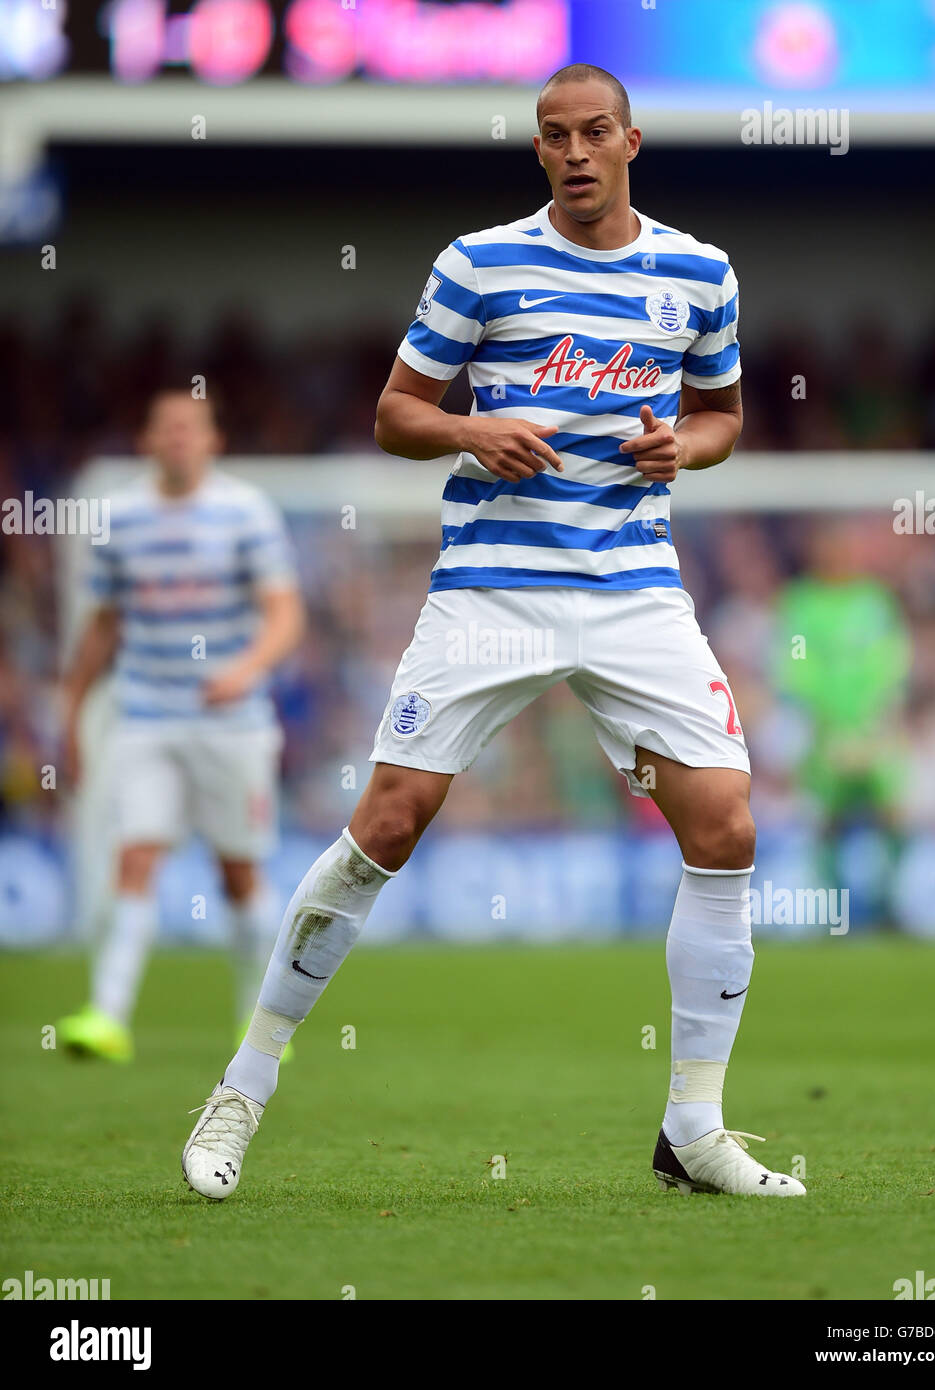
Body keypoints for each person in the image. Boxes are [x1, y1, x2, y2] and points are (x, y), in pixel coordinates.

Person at [183, 65, 805, 1199]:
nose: (574, 152)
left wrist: (687, 450)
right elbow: (394, 416)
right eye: (553, 137)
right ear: (537, 151)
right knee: (387, 821)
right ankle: (242, 1085)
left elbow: (721, 418)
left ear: (630, 139)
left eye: (593, 133)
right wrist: (474, 428)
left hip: (630, 590)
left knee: (723, 826)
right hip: (490, 592)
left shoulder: (697, 271)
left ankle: (693, 1128)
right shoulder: (479, 262)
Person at [57, 389, 304, 1062]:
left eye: (189, 428)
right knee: (134, 856)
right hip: (145, 715)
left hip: (232, 722)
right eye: (165, 428)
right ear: (145, 441)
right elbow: (103, 625)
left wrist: (246, 668)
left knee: (239, 873)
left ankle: (259, 1024)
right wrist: (72, 707)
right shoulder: (122, 520)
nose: (177, 438)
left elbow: (285, 613)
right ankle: (106, 1018)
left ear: (212, 441)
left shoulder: (244, 512)